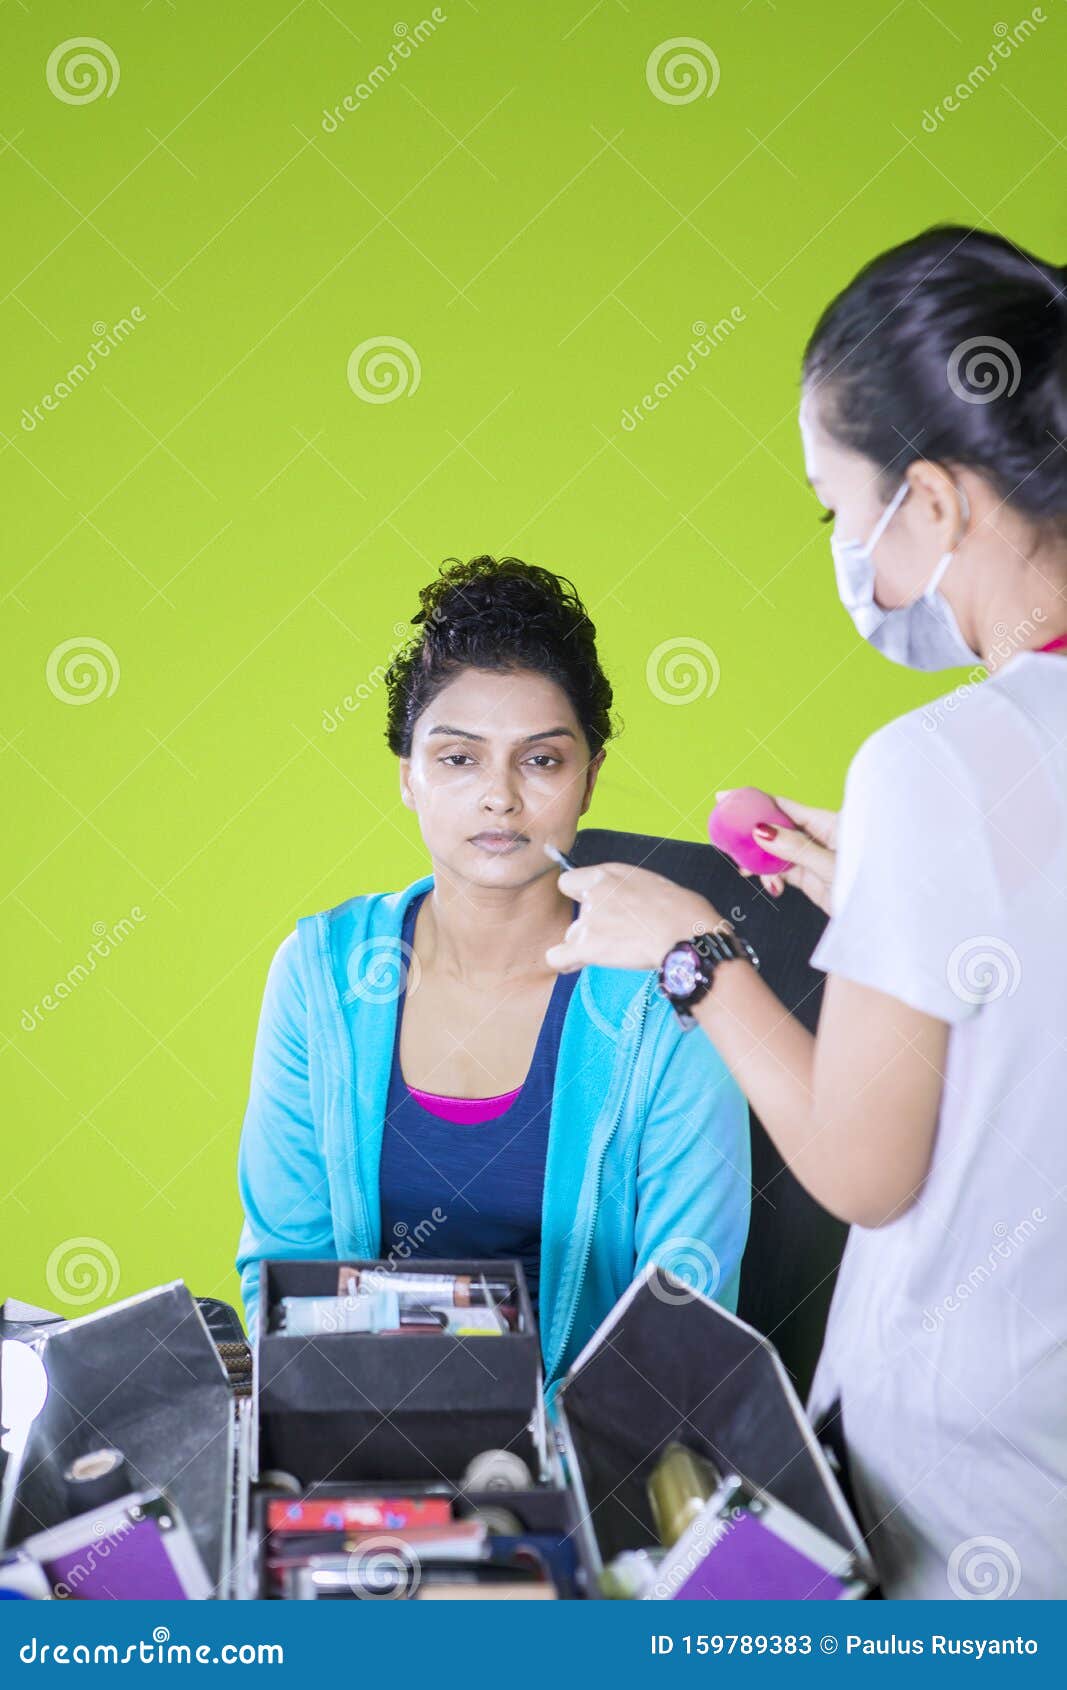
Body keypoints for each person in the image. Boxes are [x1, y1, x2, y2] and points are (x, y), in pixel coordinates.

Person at [543, 227, 1067, 1598]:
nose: (843, 549)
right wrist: (893, 894)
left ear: (935, 504)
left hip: (973, 1487)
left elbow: (858, 1166)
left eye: (838, 508)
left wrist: (687, 947)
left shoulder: (935, 765)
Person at [235, 556, 750, 1392]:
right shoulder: (322, 974)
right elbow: (287, 1276)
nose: (500, 799)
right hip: (356, 1453)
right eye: (458, 759)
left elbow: (684, 1313)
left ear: (589, 779)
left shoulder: (669, 989)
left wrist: (523, 1463)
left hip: (599, 1469)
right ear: (407, 776)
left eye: (541, 760)